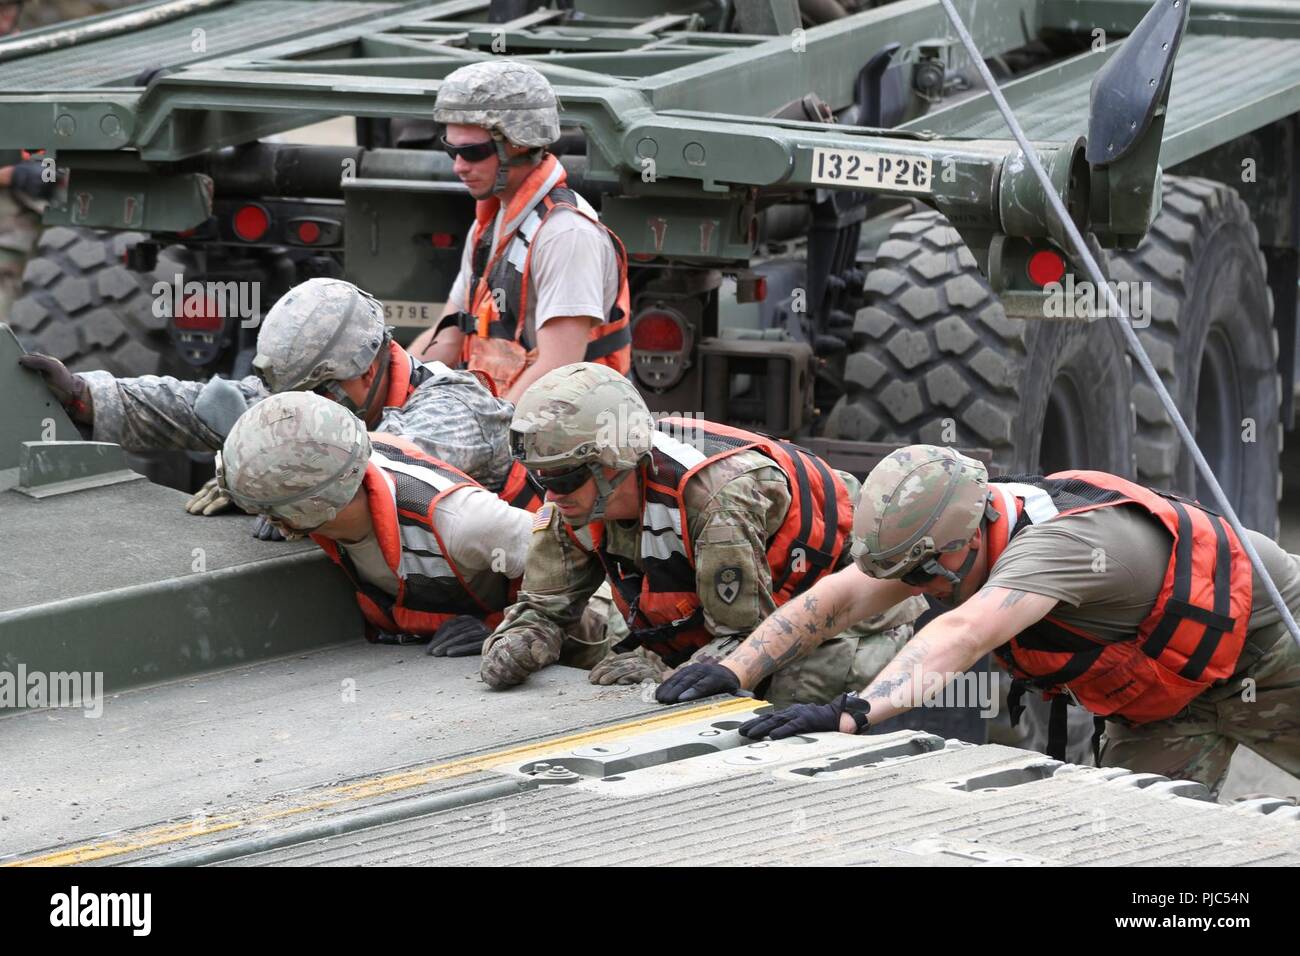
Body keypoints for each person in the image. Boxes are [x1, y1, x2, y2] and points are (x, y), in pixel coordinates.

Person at [660, 444, 1300, 794]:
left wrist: (851, 712)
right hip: (1167, 700)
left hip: (1276, 655)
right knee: (1143, 864)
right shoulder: (961, 530)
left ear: (970, 538)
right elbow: (841, 598)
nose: (918, 592)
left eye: (922, 576)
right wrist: (734, 669)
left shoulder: (1058, 547)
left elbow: (962, 635)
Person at [480, 362, 923, 699]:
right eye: (540, 479)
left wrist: (663, 669)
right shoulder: (573, 502)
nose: (551, 496)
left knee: (776, 693)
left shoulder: (717, 499)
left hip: (854, 618)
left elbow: (747, 642)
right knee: (592, 644)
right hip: (735, 618)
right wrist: (518, 642)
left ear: (614, 463)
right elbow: (544, 609)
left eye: (563, 479)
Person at [18, 277, 536, 528]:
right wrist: (85, 395)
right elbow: (210, 408)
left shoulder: (455, 411)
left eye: (316, 394)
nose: (302, 410)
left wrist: (253, 480)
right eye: (294, 396)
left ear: (370, 367)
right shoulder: (334, 398)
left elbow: (385, 467)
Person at [216, 390, 616, 661]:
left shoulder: (461, 521)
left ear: (313, 507)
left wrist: (513, 631)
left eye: (273, 508)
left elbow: (593, 583)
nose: (268, 519)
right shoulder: (333, 465)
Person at [408, 60, 630, 402]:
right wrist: (393, 383)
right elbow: (450, 336)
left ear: (521, 144)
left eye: (473, 152)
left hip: (561, 437)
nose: (458, 166)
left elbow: (558, 371)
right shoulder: (490, 223)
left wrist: (481, 429)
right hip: (502, 416)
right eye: (452, 149)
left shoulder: (566, 235)